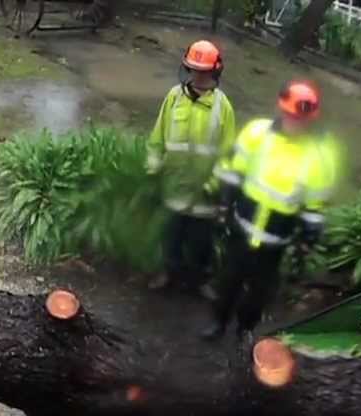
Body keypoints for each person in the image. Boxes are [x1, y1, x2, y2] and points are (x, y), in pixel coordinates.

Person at [203, 79, 340, 341]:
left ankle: (245, 330)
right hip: (242, 225)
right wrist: (223, 205)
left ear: (311, 120)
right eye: (290, 116)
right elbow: (233, 172)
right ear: (281, 110)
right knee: (229, 280)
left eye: (300, 119)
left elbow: (314, 205)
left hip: (276, 240)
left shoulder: (318, 157)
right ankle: (218, 324)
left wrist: (308, 238)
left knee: (260, 291)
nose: (294, 123)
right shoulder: (257, 134)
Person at [145, 40, 237, 298]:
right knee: (170, 237)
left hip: (203, 192)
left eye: (203, 71)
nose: (197, 75)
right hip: (173, 185)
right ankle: (169, 274)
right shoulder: (174, 97)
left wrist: (214, 185)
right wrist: (153, 168)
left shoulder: (223, 107)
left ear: (214, 72)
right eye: (193, 69)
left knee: (201, 242)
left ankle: (199, 281)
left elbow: (228, 154)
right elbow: (157, 137)